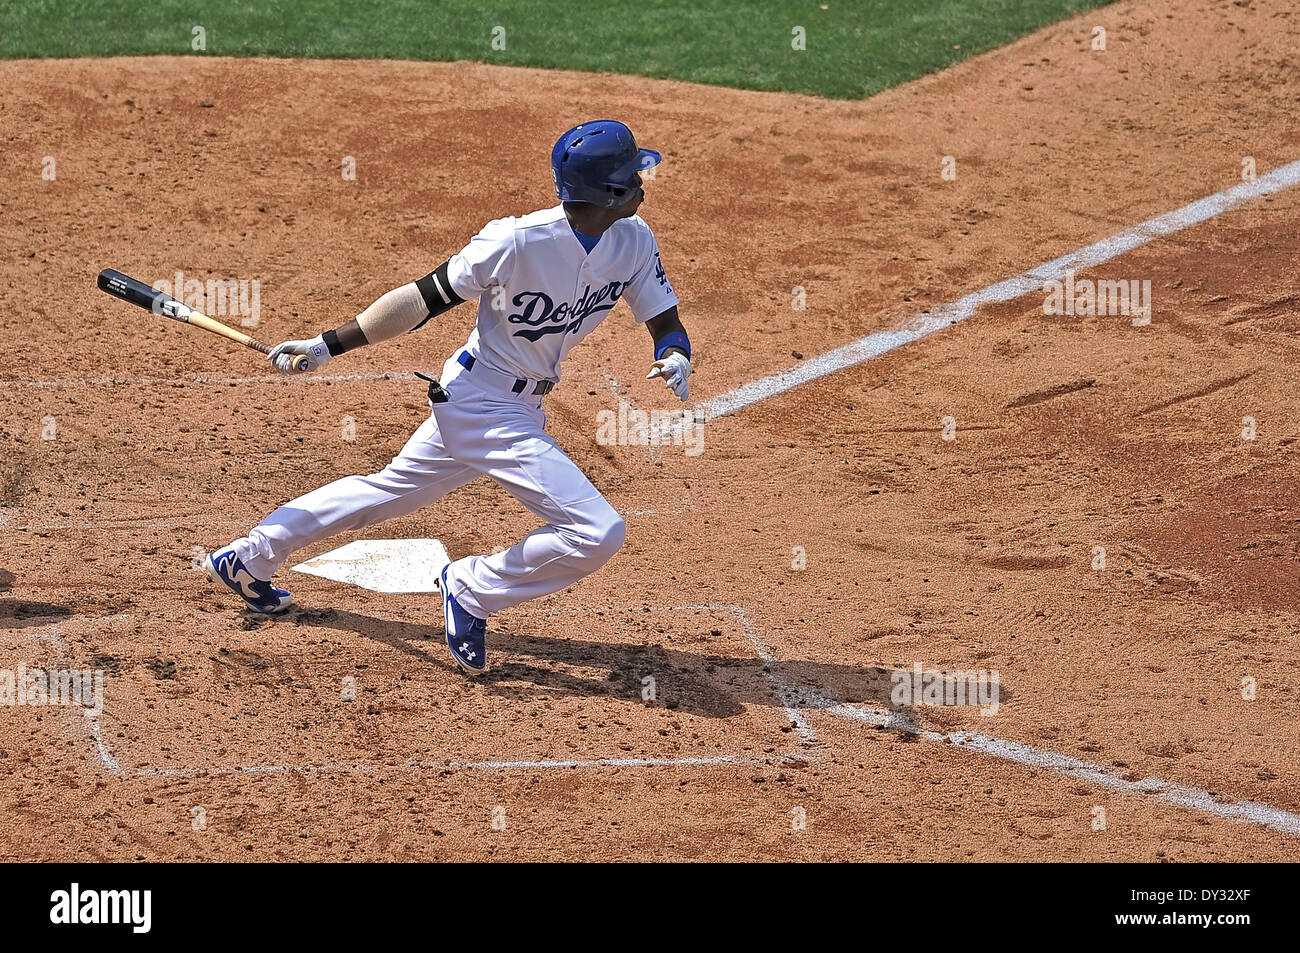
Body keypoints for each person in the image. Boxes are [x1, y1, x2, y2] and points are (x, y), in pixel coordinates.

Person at [205, 119, 694, 674]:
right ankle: (472, 587)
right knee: (597, 531)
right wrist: (325, 345)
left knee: (386, 493)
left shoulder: (634, 241)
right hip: (482, 404)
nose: (642, 183)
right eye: (633, 176)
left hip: (511, 405)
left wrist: (675, 352)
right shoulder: (516, 241)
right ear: (609, 192)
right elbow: (420, 301)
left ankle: (249, 557)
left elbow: (663, 317)